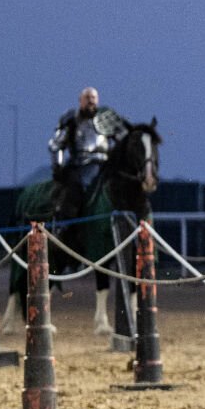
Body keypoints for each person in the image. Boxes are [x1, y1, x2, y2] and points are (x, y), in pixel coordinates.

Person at [47, 86, 133, 330]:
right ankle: (66, 228)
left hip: (105, 167)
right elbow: (55, 145)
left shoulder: (107, 120)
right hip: (80, 167)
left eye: (94, 98)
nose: (91, 102)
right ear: (80, 101)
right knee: (74, 194)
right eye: (87, 99)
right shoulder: (71, 120)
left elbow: (125, 138)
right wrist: (59, 168)